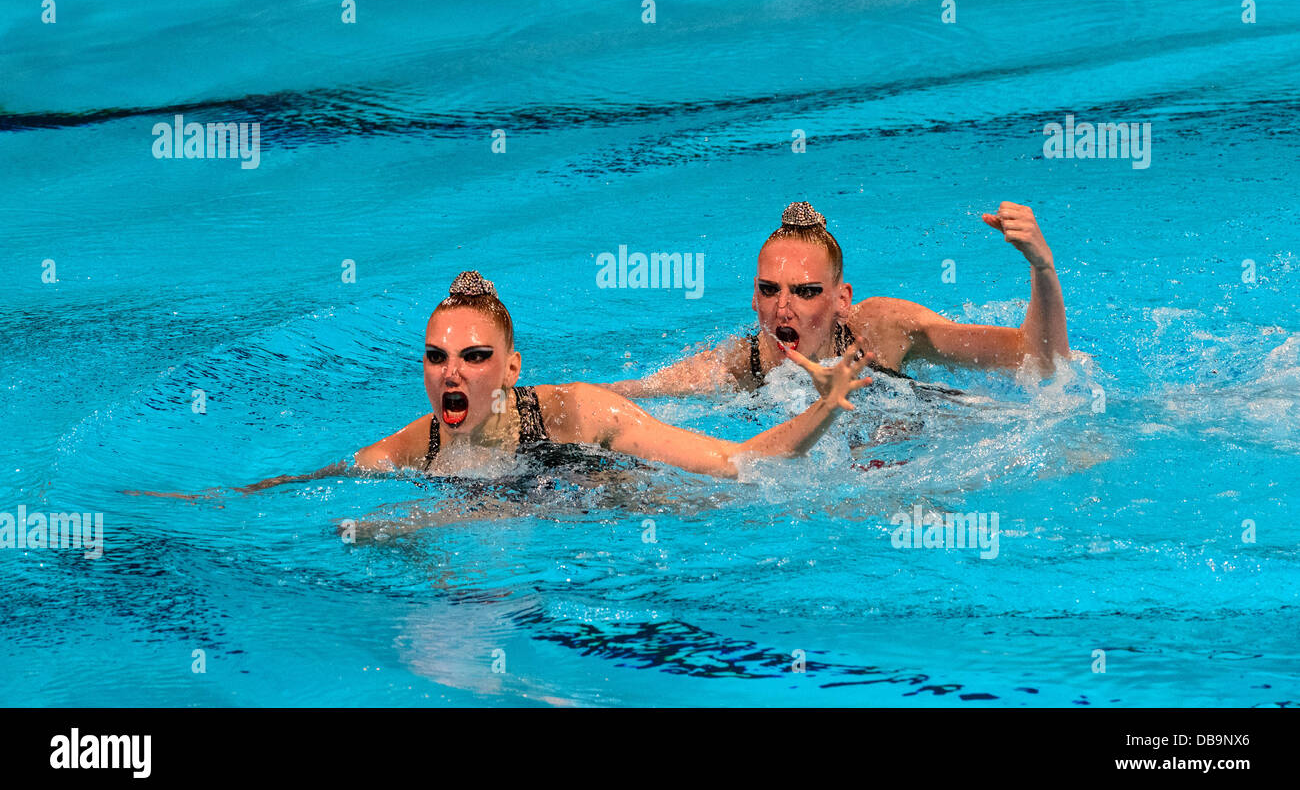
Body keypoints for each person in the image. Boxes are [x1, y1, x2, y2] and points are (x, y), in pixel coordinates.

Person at [132, 271, 875, 504]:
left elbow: (734, 462)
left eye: (474, 356)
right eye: (435, 356)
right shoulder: (415, 445)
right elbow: (314, 478)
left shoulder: (580, 410)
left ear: (511, 367)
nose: (451, 371)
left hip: (638, 506)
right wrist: (217, 500)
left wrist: (824, 408)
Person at [601, 200, 1069, 400]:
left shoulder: (882, 330)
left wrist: (1042, 267)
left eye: (806, 292)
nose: (783, 308)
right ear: (754, 299)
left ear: (842, 298)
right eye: (769, 290)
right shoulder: (740, 366)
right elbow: (627, 393)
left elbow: (1042, 360)